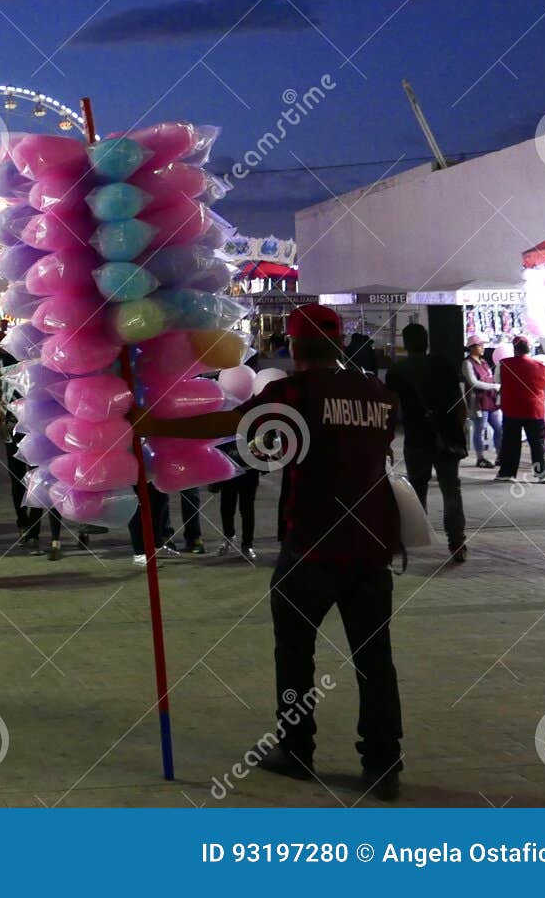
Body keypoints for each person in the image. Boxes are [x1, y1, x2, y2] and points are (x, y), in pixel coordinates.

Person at [134, 303, 406, 801]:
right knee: (375, 659)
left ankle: (297, 748)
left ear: (294, 348)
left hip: (310, 547)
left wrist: (149, 424)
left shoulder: (293, 393)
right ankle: (383, 762)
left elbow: (232, 424)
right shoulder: (378, 394)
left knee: (295, 654)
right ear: (341, 345)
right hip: (371, 549)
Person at [386, 323, 469, 562]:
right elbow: (459, 403)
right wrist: (456, 431)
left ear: (406, 343)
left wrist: (387, 440)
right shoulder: (442, 365)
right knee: (451, 490)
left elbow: (391, 409)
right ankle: (457, 542)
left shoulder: (397, 372)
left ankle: (412, 539)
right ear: (426, 341)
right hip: (445, 438)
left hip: (416, 438)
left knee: (416, 489)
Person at [496, 337, 545, 484]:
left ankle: (507, 472)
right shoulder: (541, 365)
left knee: (511, 442)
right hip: (535, 408)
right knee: (537, 443)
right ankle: (542, 474)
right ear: (529, 348)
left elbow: (498, 382)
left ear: (514, 348)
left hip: (512, 408)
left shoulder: (504, 364)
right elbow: (543, 384)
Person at [463, 335, 501, 469]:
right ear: (472, 347)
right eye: (480, 345)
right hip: (479, 402)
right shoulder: (467, 363)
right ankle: (480, 458)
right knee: (479, 430)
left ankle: (500, 455)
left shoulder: (484, 362)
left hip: (491, 400)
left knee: (499, 428)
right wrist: (494, 387)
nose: (482, 348)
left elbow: (490, 378)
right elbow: (473, 382)